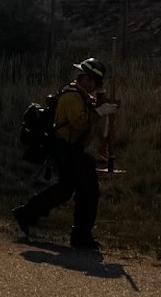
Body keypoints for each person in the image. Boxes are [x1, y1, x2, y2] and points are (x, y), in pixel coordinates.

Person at [14, 57, 115, 251]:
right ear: (86, 79)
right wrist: (100, 112)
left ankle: (28, 214)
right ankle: (81, 236)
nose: (97, 87)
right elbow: (80, 122)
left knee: (67, 189)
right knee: (89, 192)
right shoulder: (71, 97)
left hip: (72, 149)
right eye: (95, 82)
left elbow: (91, 107)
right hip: (69, 149)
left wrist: (102, 104)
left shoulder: (80, 95)